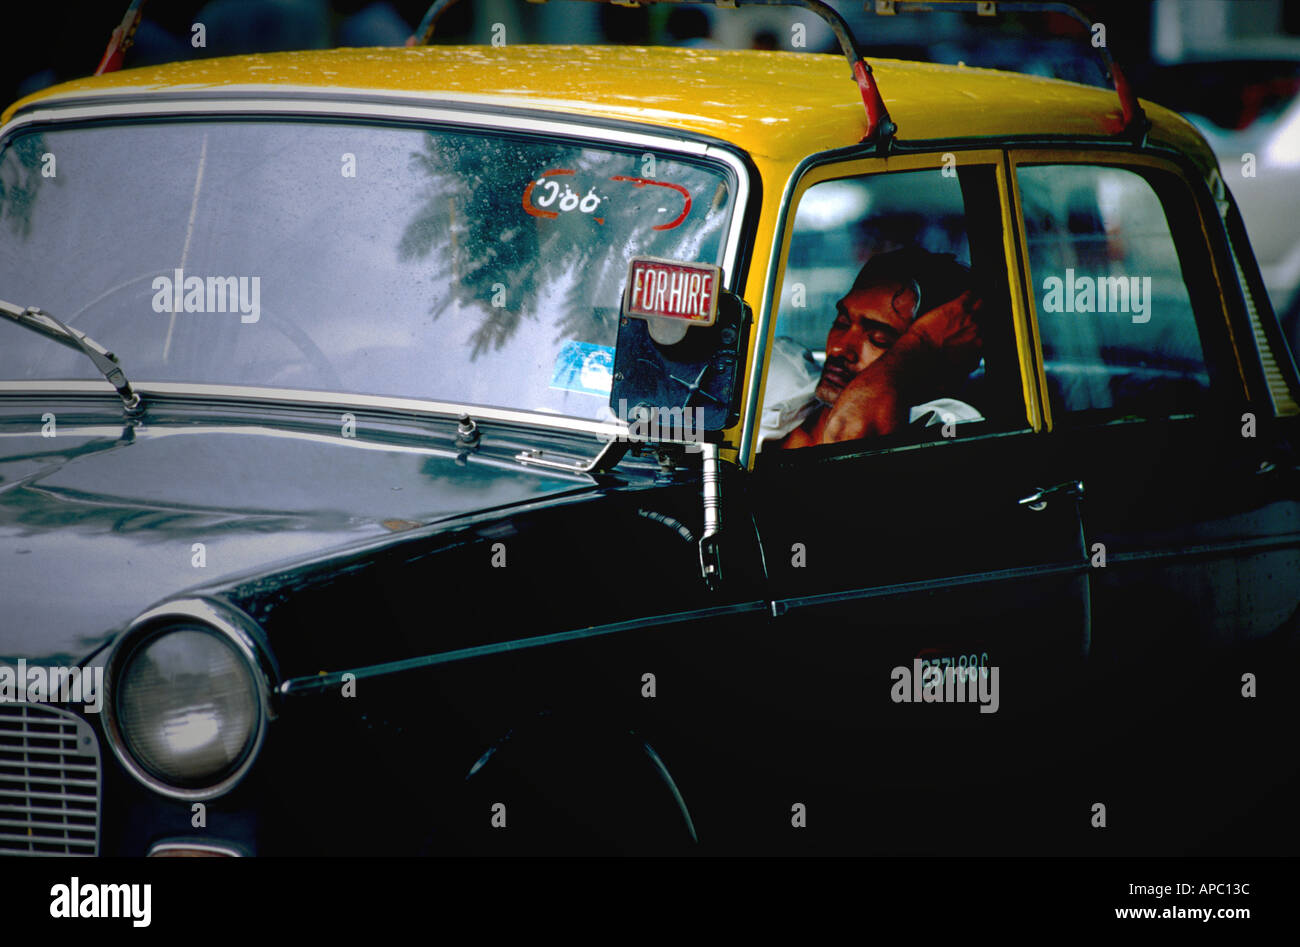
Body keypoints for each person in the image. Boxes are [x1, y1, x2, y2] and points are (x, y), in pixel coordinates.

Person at [760, 247, 985, 450]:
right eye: (841, 323)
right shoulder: (777, 372)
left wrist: (923, 341)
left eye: (879, 339)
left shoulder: (945, 425)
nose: (839, 349)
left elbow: (844, 449)